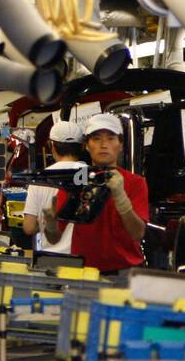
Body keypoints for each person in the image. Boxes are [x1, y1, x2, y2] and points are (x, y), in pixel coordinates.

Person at [43, 113, 148, 272]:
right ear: (86, 145)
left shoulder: (135, 182)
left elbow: (138, 233)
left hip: (125, 272)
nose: (103, 144)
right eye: (96, 138)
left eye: (110, 138)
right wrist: (50, 225)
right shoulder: (78, 179)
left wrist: (122, 201)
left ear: (120, 145)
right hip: (84, 273)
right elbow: (54, 237)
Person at [22, 120, 86, 254]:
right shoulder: (91, 175)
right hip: (85, 260)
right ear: (82, 147)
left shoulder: (40, 178)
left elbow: (29, 227)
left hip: (50, 258)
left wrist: (43, 222)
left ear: (52, 146)